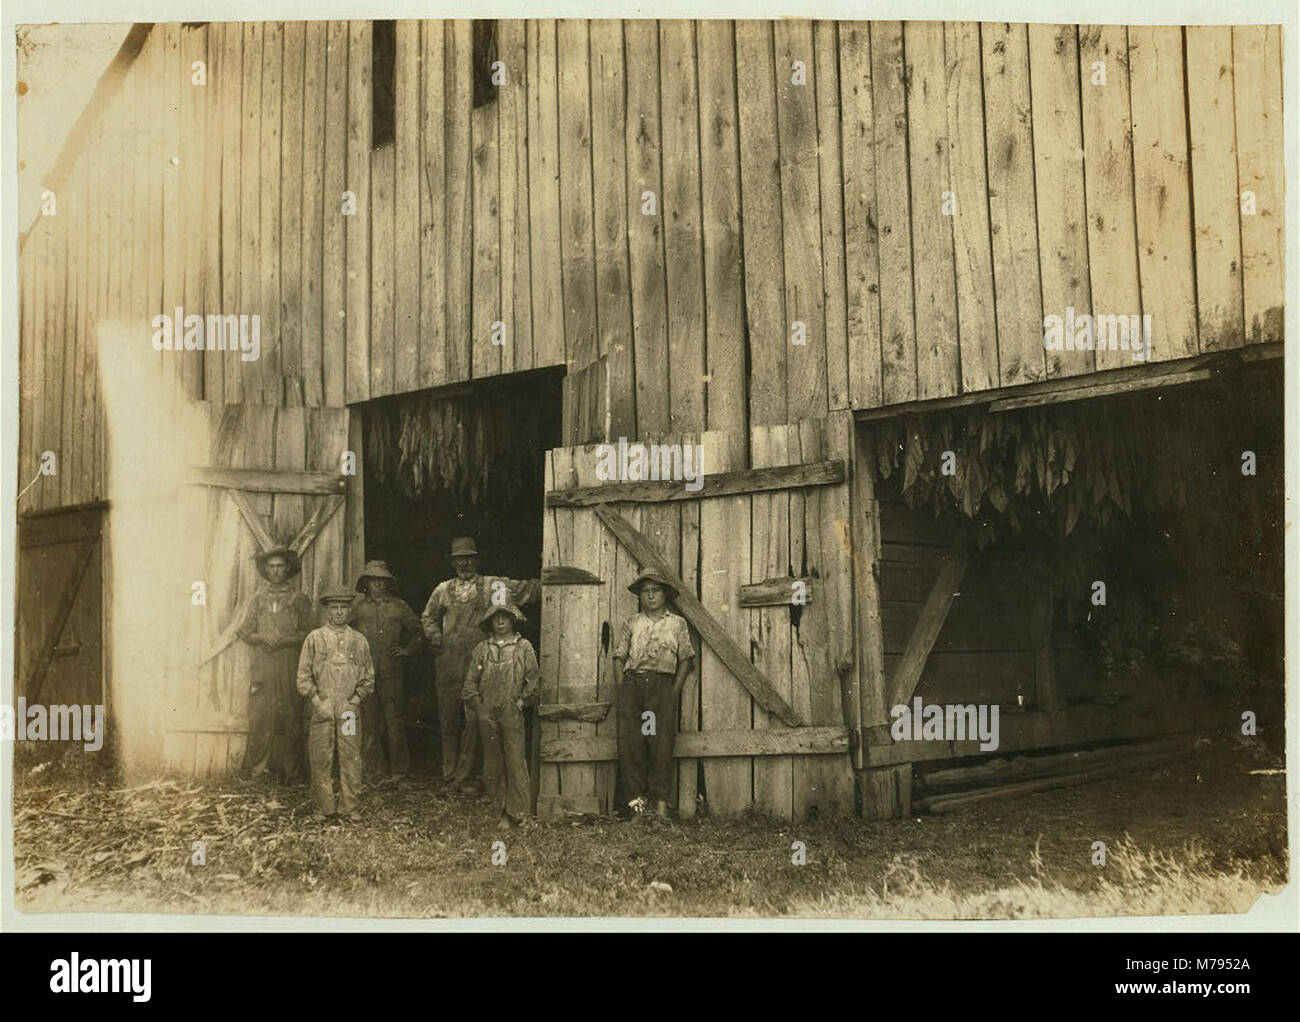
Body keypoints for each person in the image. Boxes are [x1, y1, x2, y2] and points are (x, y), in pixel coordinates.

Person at [421, 537, 540, 793]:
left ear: (477, 560)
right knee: (448, 722)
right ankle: (451, 777)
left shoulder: (491, 586)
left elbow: (526, 591)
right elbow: (428, 616)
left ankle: (473, 776)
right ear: (452, 563)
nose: (464, 563)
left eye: (468, 558)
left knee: (477, 720)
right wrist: (436, 638)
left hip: (480, 664)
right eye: (459, 559)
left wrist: (553, 580)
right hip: (449, 664)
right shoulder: (443, 589)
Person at [612, 567, 695, 818]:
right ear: (639, 595)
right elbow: (618, 657)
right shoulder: (632, 623)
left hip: (660, 690)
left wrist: (673, 691)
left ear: (665, 594)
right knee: (633, 745)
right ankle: (637, 808)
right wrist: (623, 690)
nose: (650, 596)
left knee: (658, 743)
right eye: (645, 591)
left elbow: (686, 660)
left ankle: (660, 805)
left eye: (655, 591)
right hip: (634, 687)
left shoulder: (676, 624)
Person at [296, 584, 375, 822]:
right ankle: (323, 807)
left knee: (351, 757)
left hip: (349, 709)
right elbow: (303, 677)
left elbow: (369, 677)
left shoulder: (359, 640)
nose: (339, 612)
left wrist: (355, 700)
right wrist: (316, 701)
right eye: (334, 607)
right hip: (323, 708)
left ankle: (349, 807)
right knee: (320, 757)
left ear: (350, 610)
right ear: (327, 610)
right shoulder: (315, 638)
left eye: (344, 607)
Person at [237, 547, 315, 784]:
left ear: (288, 569)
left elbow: (309, 633)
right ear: (265, 570)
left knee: (292, 716)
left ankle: (293, 773)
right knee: (260, 716)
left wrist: (286, 639)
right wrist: (262, 638)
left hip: (290, 662)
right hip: (263, 664)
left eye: (280, 566)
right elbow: (245, 633)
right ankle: (257, 772)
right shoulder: (258, 598)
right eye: (271, 566)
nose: (276, 571)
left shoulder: (299, 598)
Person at [464, 603, 539, 830]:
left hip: (511, 712)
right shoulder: (482, 649)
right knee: (493, 762)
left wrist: (521, 702)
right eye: (496, 618)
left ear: (513, 620)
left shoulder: (523, 647)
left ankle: (519, 812)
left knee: (515, 760)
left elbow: (534, 679)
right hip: (488, 712)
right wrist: (480, 709)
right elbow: (469, 685)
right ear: (490, 622)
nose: (500, 622)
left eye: (505, 617)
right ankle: (500, 809)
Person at [351, 560, 423, 783]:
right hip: (365, 674)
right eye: (373, 581)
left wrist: (406, 650)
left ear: (388, 583)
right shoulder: (358, 608)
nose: (378, 585)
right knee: (369, 723)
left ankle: (399, 772)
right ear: (366, 583)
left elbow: (419, 632)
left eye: (382, 581)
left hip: (392, 673)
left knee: (394, 723)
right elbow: (344, 631)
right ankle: (374, 772)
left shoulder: (399, 606)